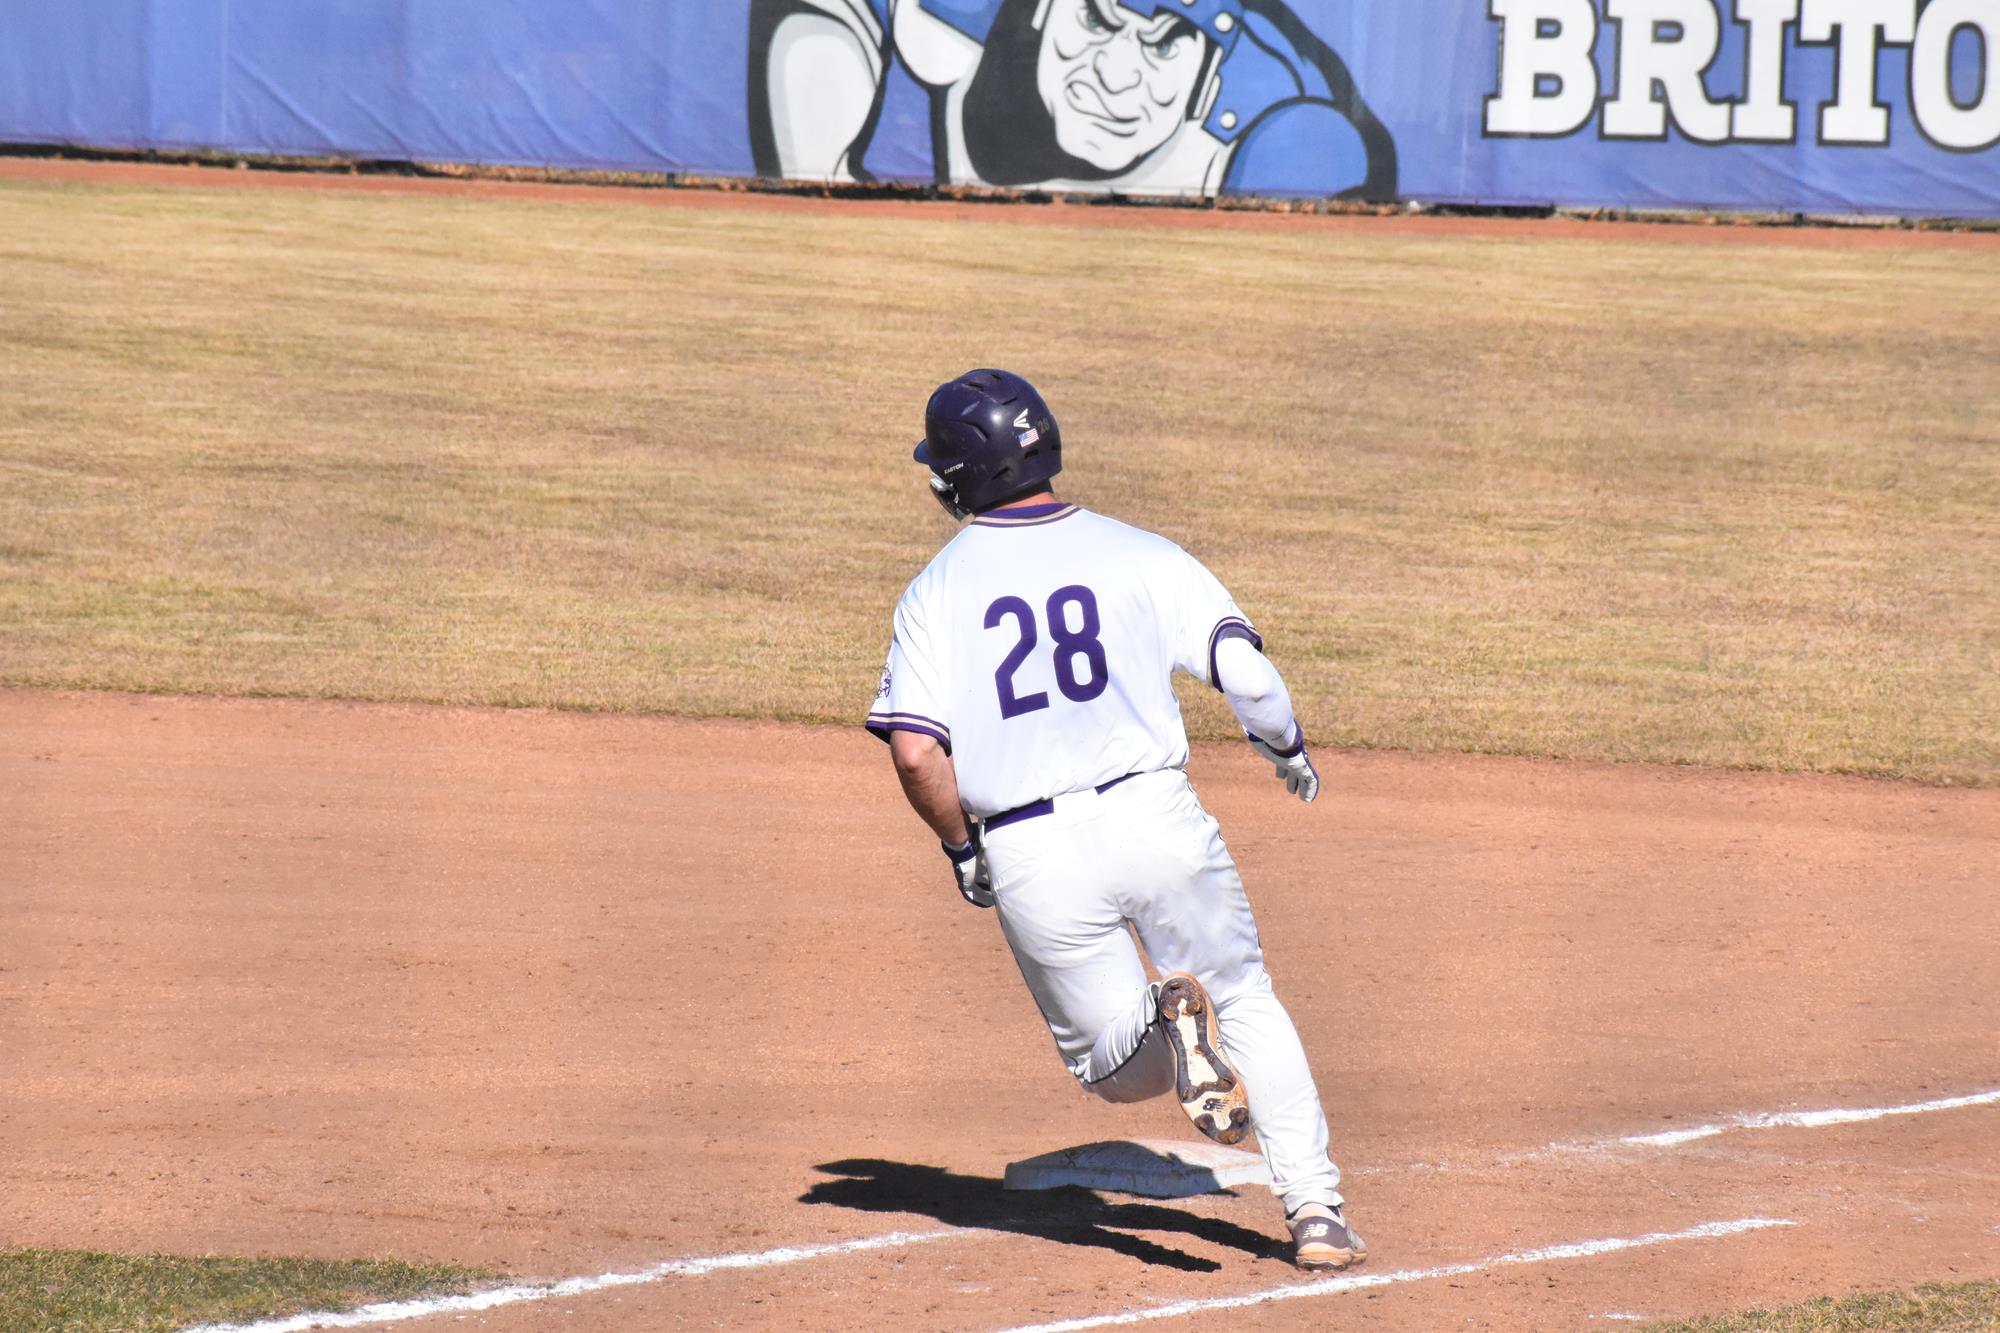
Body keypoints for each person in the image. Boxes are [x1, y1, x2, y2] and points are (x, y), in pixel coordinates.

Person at [863, 368, 1365, 1270]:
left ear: (958, 477)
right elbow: (1248, 679)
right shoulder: (1143, 552)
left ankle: (1167, 1028)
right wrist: (1286, 749)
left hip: (1030, 848)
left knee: (1111, 1069)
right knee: (1246, 997)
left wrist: (958, 847)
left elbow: (915, 751)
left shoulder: (934, 591)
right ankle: (1318, 1214)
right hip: (1157, 817)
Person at [749, 0, 1396, 201]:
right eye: (1096, 19)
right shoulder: (943, 31)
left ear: (1210, 81)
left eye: (1166, 44)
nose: (1118, 76)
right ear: (1039, 15)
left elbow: (1347, 156)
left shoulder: (1279, 117)